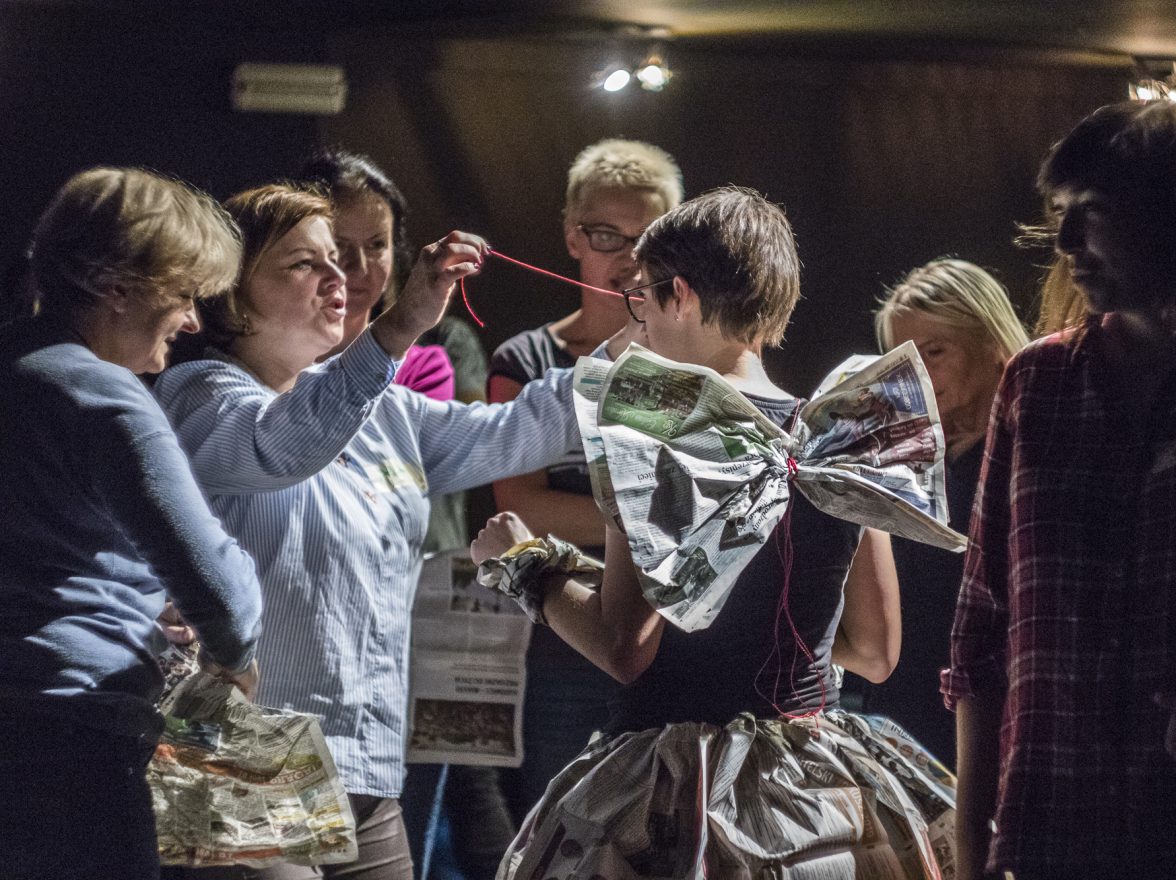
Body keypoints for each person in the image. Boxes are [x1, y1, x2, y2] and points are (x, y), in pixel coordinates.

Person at [471, 187, 932, 878]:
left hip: (676, 797)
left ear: (678, 295)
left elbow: (624, 646)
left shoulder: (657, 432)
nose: (638, 320)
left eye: (642, 299)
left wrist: (523, 564)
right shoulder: (839, 438)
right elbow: (873, 650)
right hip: (814, 800)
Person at [152, 183, 587, 879]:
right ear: (229, 294)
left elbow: (521, 432)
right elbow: (285, 444)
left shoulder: (381, 408)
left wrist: (642, 338)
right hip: (243, 751)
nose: (340, 278)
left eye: (343, 258)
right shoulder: (202, 398)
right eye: (304, 264)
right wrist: (398, 328)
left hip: (365, 763)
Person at [944, 99, 1176, 880]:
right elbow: (983, 630)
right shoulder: (1036, 383)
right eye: (1060, 213)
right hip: (1052, 837)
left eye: (1096, 212)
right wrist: (972, 843)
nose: (1065, 242)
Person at [0, 167, 262, 880]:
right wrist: (234, 652)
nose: (193, 321)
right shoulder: (100, 391)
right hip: (71, 742)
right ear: (115, 286)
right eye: (181, 295)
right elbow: (219, 590)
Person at [296, 146, 482, 879]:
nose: (363, 265)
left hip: (399, 641)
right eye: (340, 247)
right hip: (277, 721)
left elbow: (419, 447)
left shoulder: (429, 360)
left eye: (377, 245)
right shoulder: (239, 383)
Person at [486, 138, 684, 823]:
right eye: (607, 235)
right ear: (573, 236)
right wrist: (649, 508)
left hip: (666, 628)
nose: (627, 257)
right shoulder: (527, 357)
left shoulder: (685, 359)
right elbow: (516, 502)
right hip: (562, 628)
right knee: (557, 821)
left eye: (647, 238)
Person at [860, 258, 1029, 763]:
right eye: (901, 360)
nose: (916, 376)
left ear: (993, 344)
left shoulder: (1029, 450)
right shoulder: (897, 458)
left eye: (934, 352)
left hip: (999, 719)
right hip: (901, 719)